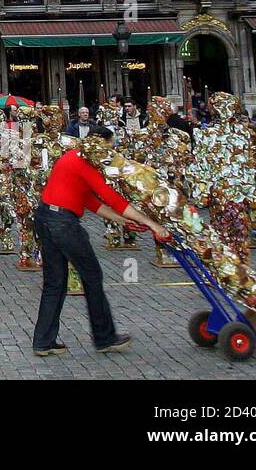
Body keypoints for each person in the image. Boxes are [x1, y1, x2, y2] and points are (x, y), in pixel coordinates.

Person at [31, 126, 167, 357]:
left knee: (55, 282)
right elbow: (112, 199)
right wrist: (153, 224)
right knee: (92, 276)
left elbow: (89, 201)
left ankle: (44, 342)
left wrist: (124, 222)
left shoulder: (73, 157)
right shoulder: (85, 163)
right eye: (110, 146)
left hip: (45, 217)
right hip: (63, 223)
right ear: (101, 143)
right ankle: (105, 337)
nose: (110, 152)